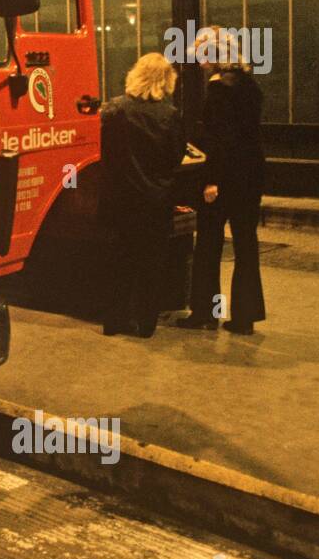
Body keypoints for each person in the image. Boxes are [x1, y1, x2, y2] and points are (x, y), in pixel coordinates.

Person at [177, 27, 267, 334]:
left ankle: (204, 312)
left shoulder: (219, 89)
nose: (198, 60)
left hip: (224, 179)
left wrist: (211, 181)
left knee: (208, 245)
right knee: (246, 246)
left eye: (202, 53)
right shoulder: (250, 85)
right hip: (251, 177)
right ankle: (245, 317)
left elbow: (220, 141)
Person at [99, 53, 186, 338]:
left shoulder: (114, 110)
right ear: (165, 81)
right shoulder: (170, 115)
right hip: (155, 201)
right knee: (152, 263)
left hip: (120, 198)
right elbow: (175, 156)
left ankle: (114, 321)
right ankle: (146, 323)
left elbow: (106, 155)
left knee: (118, 261)